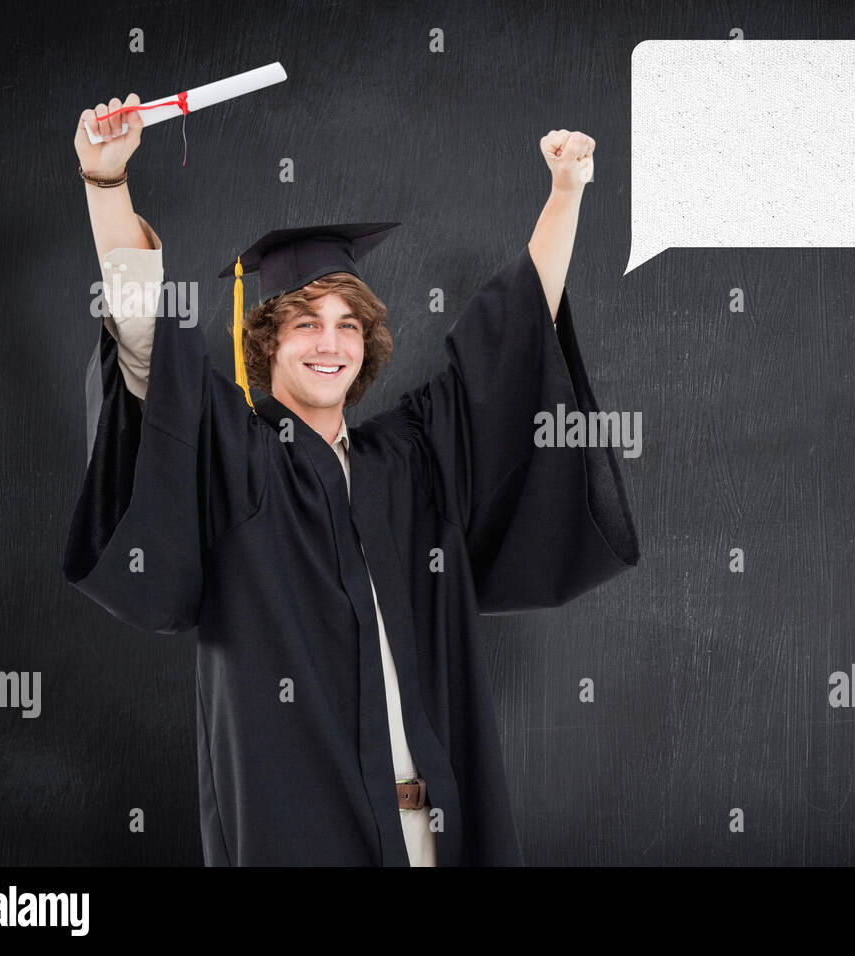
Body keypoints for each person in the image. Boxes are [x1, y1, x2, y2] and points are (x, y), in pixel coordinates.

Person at [63, 94, 640, 866]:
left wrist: (566, 193)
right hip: (305, 837)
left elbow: (514, 334)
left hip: (432, 827)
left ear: (368, 346)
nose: (329, 344)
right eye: (305, 324)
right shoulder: (242, 459)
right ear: (266, 347)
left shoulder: (408, 460)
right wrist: (108, 186)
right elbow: (145, 347)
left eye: (347, 325)